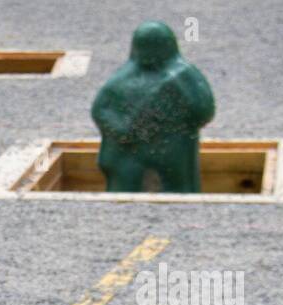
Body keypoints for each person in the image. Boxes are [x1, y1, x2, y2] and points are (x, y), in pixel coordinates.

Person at [91, 21, 216, 193]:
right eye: (145, 47)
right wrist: (120, 130)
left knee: (179, 193)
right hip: (129, 153)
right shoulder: (124, 78)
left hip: (173, 149)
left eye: (155, 46)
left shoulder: (184, 76)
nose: (149, 54)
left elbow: (204, 110)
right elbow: (100, 109)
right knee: (125, 189)